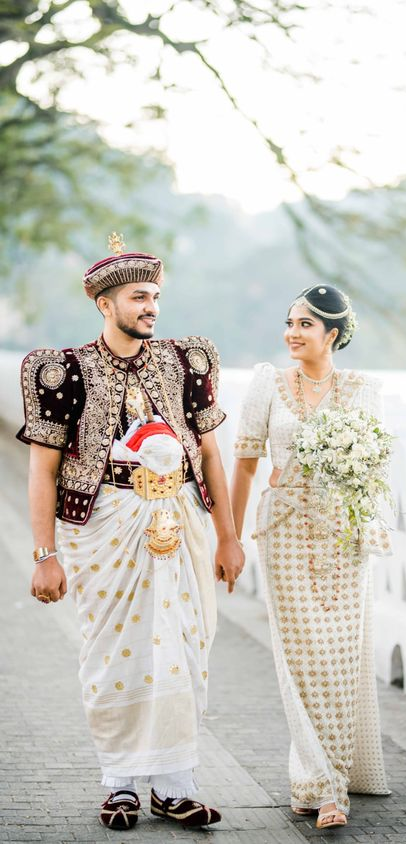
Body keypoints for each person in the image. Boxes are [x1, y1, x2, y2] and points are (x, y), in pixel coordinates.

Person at [17, 233, 244, 831]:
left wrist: (227, 536)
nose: (152, 307)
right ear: (104, 304)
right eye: (140, 297)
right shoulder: (64, 371)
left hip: (183, 524)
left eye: (156, 296)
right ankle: (119, 785)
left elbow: (211, 456)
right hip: (105, 530)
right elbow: (42, 470)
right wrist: (45, 555)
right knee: (113, 654)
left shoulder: (186, 360)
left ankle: (175, 785)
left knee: (185, 648)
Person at [230, 284, 392, 830]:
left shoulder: (362, 389)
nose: (292, 333)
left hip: (342, 539)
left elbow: (372, 469)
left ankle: (323, 777)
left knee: (339, 660)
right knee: (300, 660)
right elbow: (247, 463)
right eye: (290, 322)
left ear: (333, 334)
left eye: (305, 325)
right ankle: (327, 790)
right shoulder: (268, 385)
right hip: (285, 532)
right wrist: (229, 535)